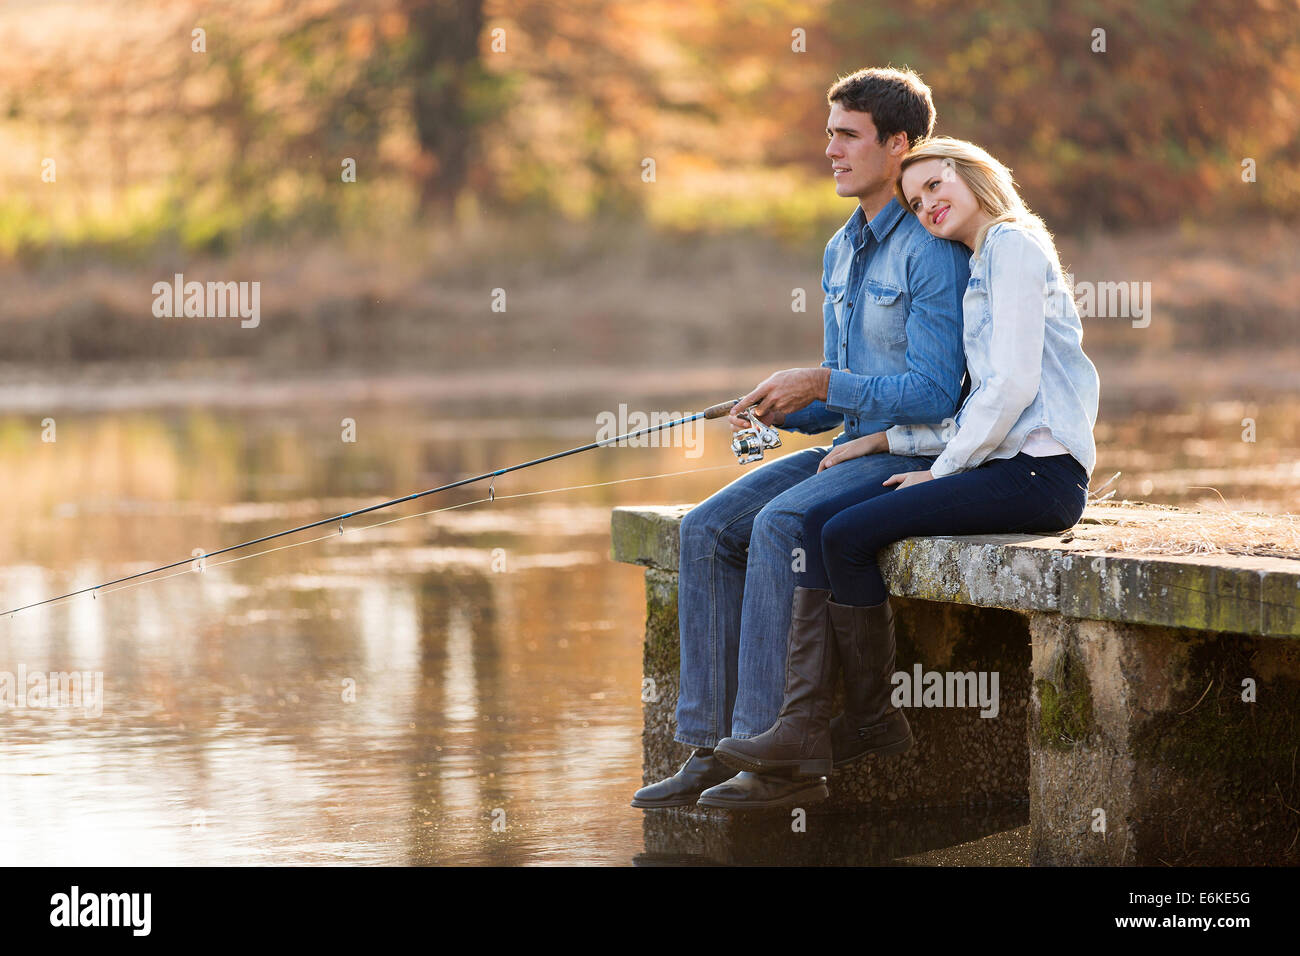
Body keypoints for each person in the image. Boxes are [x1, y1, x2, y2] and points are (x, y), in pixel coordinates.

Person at [708, 136, 1100, 804]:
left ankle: (865, 721)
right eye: (915, 201)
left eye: (937, 186)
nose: (926, 206)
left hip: (1042, 475)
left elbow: (1009, 389)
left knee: (846, 533)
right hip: (1014, 468)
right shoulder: (982, 263)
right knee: (831, 527)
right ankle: (832, 723)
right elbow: (977, 404)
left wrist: (940, 471)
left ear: (975, 175)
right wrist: (881, 440)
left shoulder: (1010, 247)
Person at [632, 68, 973, 811]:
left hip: (913, 451)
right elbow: (840, 391)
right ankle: (710, 750)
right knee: (705, 528)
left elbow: (937, 392)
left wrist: (820, 383)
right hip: (848, 442)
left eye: (847, 134)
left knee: (783, 523)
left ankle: (776, 755)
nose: (830, 149)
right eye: (829, 133)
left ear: (898, 145)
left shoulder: (932, 246)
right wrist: (783, 408)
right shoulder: (838, 249)